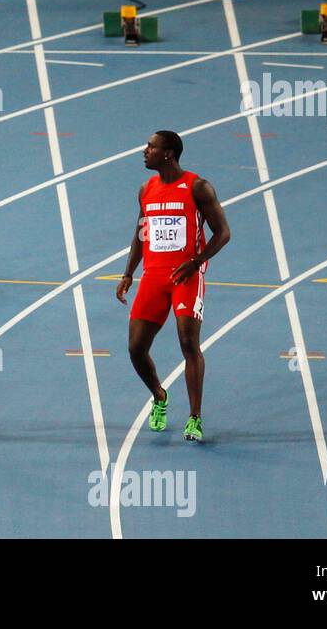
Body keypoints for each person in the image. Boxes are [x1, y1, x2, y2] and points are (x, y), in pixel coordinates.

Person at [116, 131, 230, 442]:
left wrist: (196, 262)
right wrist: (128, 273)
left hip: (186, 276)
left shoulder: (198, 187)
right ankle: (159, 395)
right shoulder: (146, 189)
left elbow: (223, 233)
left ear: (168, 153)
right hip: (153, 276)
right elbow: (141, 233)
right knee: (136, 348)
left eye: (151, 147)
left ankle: (194, 418)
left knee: (188, 342)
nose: (145, 151)